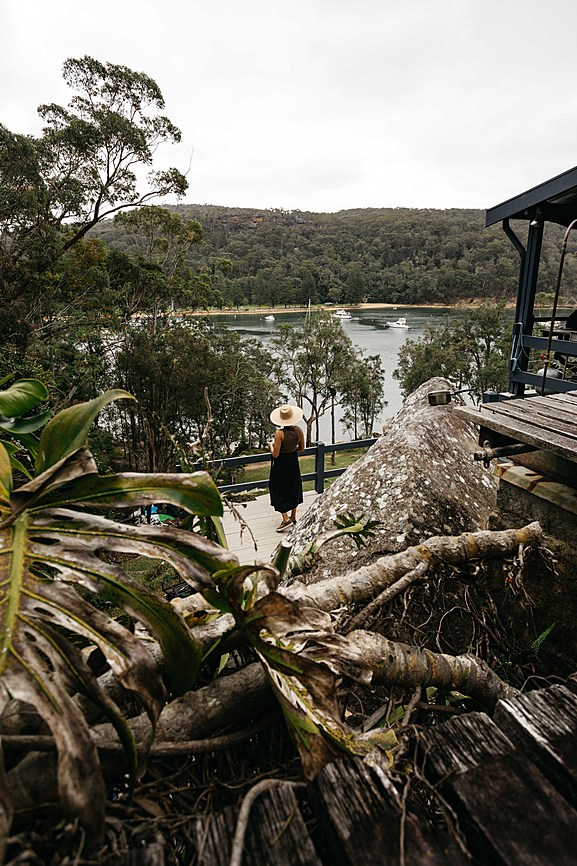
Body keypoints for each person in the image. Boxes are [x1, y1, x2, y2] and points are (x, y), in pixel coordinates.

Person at [269, 403, 305, 531]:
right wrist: (291, 448)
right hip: (293, 462)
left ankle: (285, 519)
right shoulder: (299, 430)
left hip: (281, 465)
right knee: (293, 487)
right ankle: (293, 516)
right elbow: (302, 448)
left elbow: (276, 454)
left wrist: (271, 446)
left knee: (277, 489)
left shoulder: (279, 433)